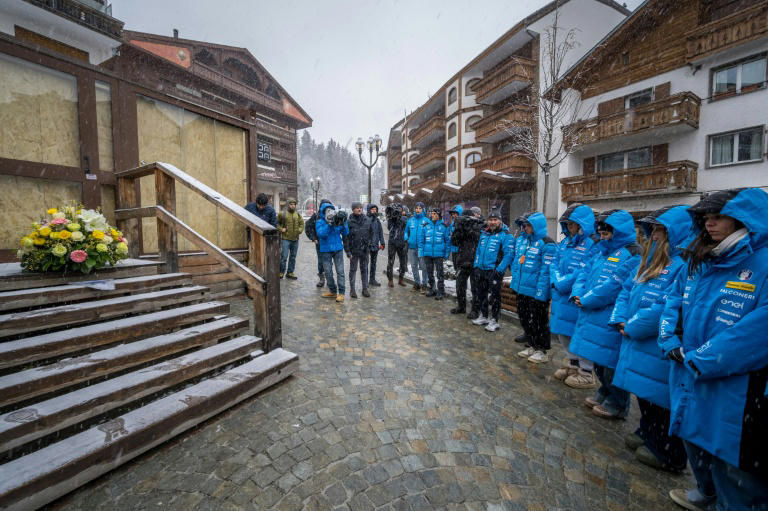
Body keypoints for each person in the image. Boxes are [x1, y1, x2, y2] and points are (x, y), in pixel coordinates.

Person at [658, 188, 768, 511]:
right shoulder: (700, 258)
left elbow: (757, 331)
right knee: (698, 441)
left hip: (738, 388)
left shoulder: (761, 263)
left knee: (735, 467)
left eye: (717, 217)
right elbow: (674, 303)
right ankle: (708, 492)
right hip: (690, 372)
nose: (709, 224)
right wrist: (669, 340)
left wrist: (702, 358)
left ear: (742, 219)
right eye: (705, 218)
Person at [609, 205, 691, 473]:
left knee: (659, 397)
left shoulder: (681, 267)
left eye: (659, 230)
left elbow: (663, 307)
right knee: (644, 393)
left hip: (653, 341)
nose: (653, 235)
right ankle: (647, 431)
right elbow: (626, 291)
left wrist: (632, 325)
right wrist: (622, 318)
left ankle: (668, 451)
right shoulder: (650, 263)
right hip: (636, 336)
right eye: (653, 230)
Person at [569, 209, 641, 419]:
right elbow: (584, 272)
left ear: (618, 233)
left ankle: (618, 402)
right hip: (592, 312)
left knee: (610, 361)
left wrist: (587, 299)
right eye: (600, 234)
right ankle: (605, 390)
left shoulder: (632, 254)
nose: (602, 238)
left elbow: (614, 286)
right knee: (598, 359)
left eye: (606, 234)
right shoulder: (602, 251)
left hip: (607, 315)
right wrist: (578, 293)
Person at [550, 204, 599, 385]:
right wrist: (556, 279)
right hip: (561, 296)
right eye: (568, 225)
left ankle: (587, 371)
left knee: (579, 333)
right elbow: (553, 263)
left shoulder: (593, 244)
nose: (570, 228)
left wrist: (563, 283)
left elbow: (584, 269)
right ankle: (573, 363)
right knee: (564, 332)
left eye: (573, 225)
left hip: (575, 295)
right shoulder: (565, 243)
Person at [508, 212, 556, 363]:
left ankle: (542, 349)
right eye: (524, 225)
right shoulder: (524, 241)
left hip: (536, 291)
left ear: (536, 226)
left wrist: (541, 292)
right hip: (522, 288)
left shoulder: (547, 243)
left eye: (528, 225)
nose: (525, 228)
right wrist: (515, 283)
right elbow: (517, 264)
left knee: (538, 321)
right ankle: (532, 345)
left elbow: (546, 270)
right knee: (524, 318)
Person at [471, 208, 510, 331]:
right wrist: (476, 265)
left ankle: (495, 320)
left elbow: (509, 255)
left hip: (494, 270)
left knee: (495, 296)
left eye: (495, 220)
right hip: (481, 269)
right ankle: (484, 316)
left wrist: (499, 270)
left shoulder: (505, 235)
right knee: (481, 294)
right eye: (490, 220)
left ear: (500, 221)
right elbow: (478, 251)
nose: (492, 222)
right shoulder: (484, 233)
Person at [450, 208, 483, 318]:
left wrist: (471, 228)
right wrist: (458, 229)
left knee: (475, 288)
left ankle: (475, 310)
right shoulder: (461, 227)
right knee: (460, 285)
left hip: (475, 261)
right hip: (463, 259)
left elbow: (477, 238)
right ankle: (461, 306)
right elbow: (454, 242)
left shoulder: (479, 224)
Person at [316, 201, 349, 303]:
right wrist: (329, 224)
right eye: (327, 211)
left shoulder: (337, 219)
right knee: (328, 272)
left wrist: (343, 222)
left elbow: (346, 232)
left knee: (340, 271)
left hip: (338, 248)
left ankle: (342, 293)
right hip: (325, 250)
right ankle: (333, 291)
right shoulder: (319, 222)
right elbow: (321, 234)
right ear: (323, 212)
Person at [418, 206, 451, 299]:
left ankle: (441, 291)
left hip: (439, 254)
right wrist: (421, 252)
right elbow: (421, 240)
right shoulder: (426, 226)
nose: (433, 216)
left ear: (439, 215)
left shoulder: (444, 226)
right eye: (432, 214)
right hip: (427, 254)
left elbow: (448, 241)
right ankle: (432, 289)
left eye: (435, 214)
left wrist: (446, 254)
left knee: (440, 274)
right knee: (429, 273)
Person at [344, 202, 373, 298]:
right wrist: (348, 251)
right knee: (353, 270)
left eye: (361, 207)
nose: (359, 209)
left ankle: (365, 289)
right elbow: (346, 238)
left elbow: (371, 234)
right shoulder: (349, 222)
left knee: (364, 269)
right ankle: (352, 290)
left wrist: (369, 245)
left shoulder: (367, 220)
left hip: (365, 250)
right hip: (354, 251)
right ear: (353, 210)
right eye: (357, 208)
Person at [305, 199, 332, 288]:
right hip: (320, 243)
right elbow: (308, 226)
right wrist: (314, 238)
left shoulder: (332, 215)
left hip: (330, 243)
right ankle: (322, 278)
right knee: (321, 261)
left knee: (329, 261)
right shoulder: (316, 216)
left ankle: (329, 279)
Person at [277, 197, 304, 279]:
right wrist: (281, 229)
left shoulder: (297, 214)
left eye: (294, 204)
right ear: (288, 205)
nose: (293, 206)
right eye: (291, 204)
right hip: (285, 239)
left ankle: (290, 272)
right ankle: (281, 272)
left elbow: (302, 224)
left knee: (293, 257)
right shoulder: (282, 214)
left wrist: (299, 230)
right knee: (284, 257)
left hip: (295, 239)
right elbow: (276, 223)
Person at [405, 202, 428, 292]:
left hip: (422, 248)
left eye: (420, 208)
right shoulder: (411, 220)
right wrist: (406, 238)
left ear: (423, 210)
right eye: (416, 208)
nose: (417, 210)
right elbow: (406, 231)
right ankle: (417, 283)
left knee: (423, 267)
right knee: (414, 266)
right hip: (412, 247)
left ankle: (425, 284)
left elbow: (429, 233)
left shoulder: (426, 221)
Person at [385, 203, 408, 287]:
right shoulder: (391, 219)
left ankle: (401, 279)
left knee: (403, 262)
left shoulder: (405, 219)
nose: (398, 211)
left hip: (402, 242)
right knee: (390, 262)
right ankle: (390, 280)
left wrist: (399, 218)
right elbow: (389, 228)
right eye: (397, 209)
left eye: (400, 209)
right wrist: (393, 218)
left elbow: (406, 227)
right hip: (392, 243)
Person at [367, 204, 386, 287]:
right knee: (365, 264)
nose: (374, 211)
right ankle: (365, 280)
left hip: (375, 245)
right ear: (369, 210)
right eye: (372, 209)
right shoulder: (366, 219)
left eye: (375, 209)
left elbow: (380, 232)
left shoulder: (377, 221)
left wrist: (382, 243)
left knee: (373, 264)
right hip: (367, 246)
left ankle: (372, 279)